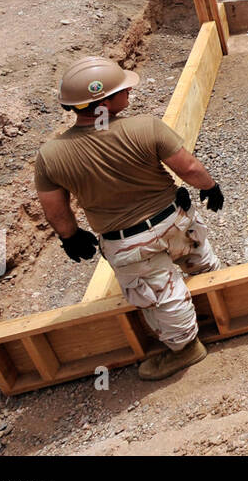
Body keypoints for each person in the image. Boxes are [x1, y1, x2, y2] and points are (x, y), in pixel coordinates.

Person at [34, 56, 226, 381]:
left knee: (161, 294)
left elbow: (55, 210)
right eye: (123, 89)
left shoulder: (51, 156)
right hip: (175, 221)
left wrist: (70, 236)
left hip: (129, 243)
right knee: (199, 259)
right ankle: (216, 309)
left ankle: (184, 346)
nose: (129, 93)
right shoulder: (145, 128)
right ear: (104, 102)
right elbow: (189, 168)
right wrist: (210, 187)